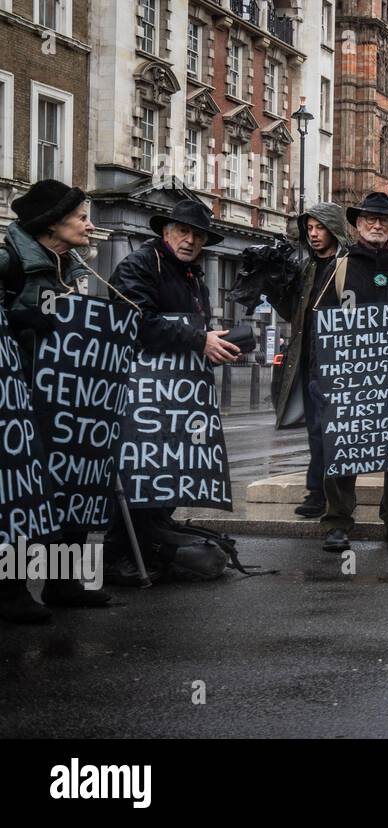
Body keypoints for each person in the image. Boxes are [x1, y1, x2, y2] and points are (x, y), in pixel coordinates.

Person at [105, 199, 241, 582]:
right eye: (183, 232)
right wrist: (200, 340)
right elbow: (136, 321)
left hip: (179, 394)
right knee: (139, 475)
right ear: (165, 232)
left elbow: (198, 326)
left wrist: (214, 346)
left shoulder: (191, 275)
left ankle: (151, 550)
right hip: (144, 392)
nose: (190, 240)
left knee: (166, 473)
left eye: (198, 235)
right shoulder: (140, 264)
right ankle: (117, 558)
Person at [0, 180, 103, 623]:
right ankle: (10, 592)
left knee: (71, 482)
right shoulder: (9, 263)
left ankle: (63, 582)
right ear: (53, 224)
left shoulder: (75, 267)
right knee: (23, 490)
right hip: (23, 397)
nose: (89, 225)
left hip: (68, 397)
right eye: (81, 217)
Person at [314, 192, 388, 553]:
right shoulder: (339, 267)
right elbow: (320, 326)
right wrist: (319, 377)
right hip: (348, 378)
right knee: (344, 446)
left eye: (384, 220)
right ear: (357, 224)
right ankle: (336, 522)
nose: (377, 224)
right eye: (369, 219)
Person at [265, 203, 350, 519]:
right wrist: (273, 286)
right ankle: (317, 493)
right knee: (315, 430)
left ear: (333, 229)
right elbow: (292, 311)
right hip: (308, 360)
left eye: (320, 228)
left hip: (340, 363)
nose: (314, 235)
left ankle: (334, 496)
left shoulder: (348, 266)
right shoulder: (307, 268)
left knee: (334, 430)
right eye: (309, 229)